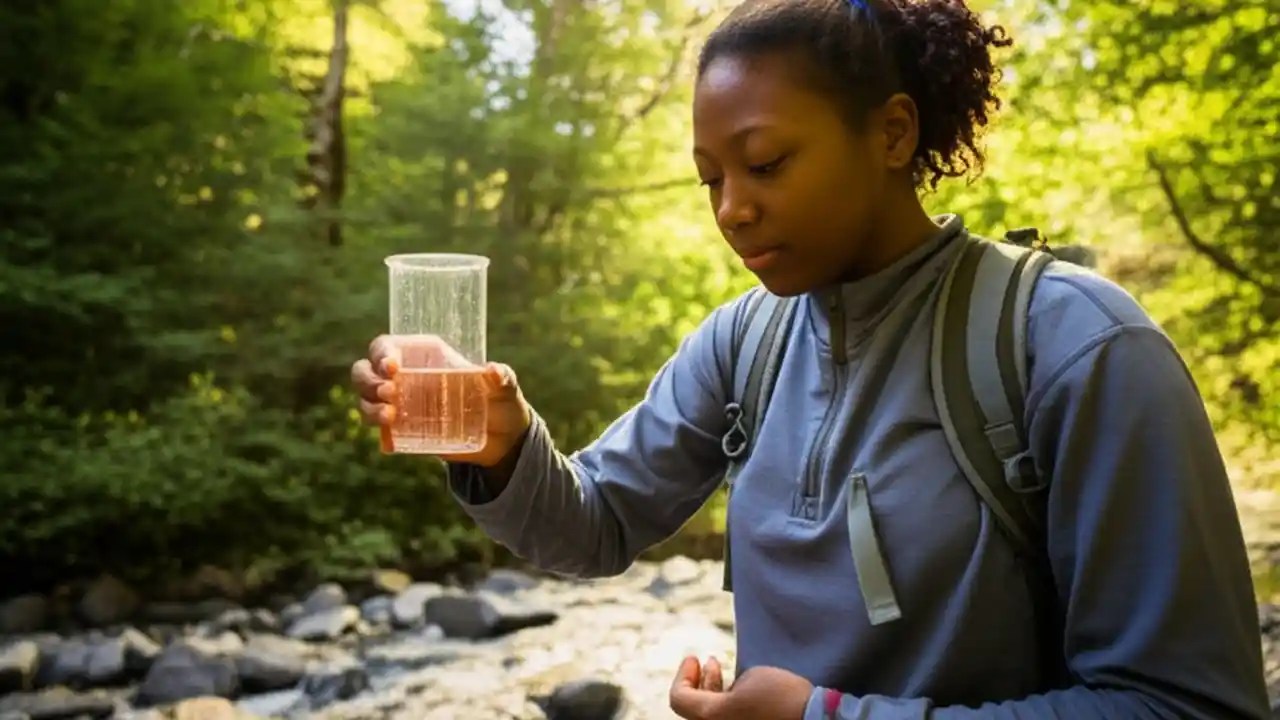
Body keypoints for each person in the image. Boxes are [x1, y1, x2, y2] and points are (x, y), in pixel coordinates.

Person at [351, 0, 1271, 717]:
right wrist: (500, 443)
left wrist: (827, 716)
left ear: (893, 133)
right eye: (712, 178)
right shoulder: (741, 343)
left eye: (766, 163)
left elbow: (1183, 702)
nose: (731, 210)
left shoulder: (1073, 347)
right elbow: (592, 526)